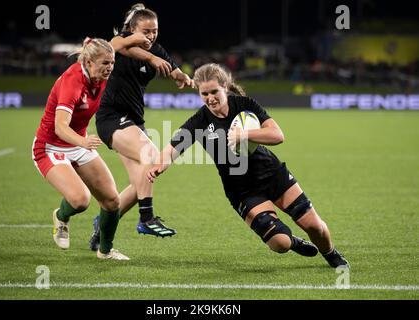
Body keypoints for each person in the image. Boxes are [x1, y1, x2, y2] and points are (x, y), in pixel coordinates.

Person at [147, 63, 350, 268]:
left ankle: (330, 253)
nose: (210, 98)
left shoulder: (245, 105)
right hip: (242, 190)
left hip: (271, 173)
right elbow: (174, 146)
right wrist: (160, 164)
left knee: (315, 227)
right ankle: (294, 241)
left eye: (214, 91)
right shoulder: (199, 121)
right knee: (280, 243)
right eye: (204, 93)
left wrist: (243, 135)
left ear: (225, 86)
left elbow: (277, 135)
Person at [32, 35, 149, 260]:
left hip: (78, 143)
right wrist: (84, 142)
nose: (110, 68)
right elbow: (60, 127)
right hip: (50, 147)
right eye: (105, 63)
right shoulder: (72, 81)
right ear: (88, 62)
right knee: (80, 200)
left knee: (112, 201)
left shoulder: (102, 80)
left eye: (112, 63)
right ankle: (61, 216)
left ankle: (105, 251)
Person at [89, 3, 195, 250]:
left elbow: (173, 70)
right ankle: (146, 219)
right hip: (111, 117)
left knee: (144, 178)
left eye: (154, 30)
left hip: (135, 121)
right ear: (132, 30)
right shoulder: (119, 42)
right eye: (145, 31)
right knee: (150, 156)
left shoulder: (158, 49)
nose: (151, 36)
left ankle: (102, 224)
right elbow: (115, 47)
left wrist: (183, 78)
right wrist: (150, 56)